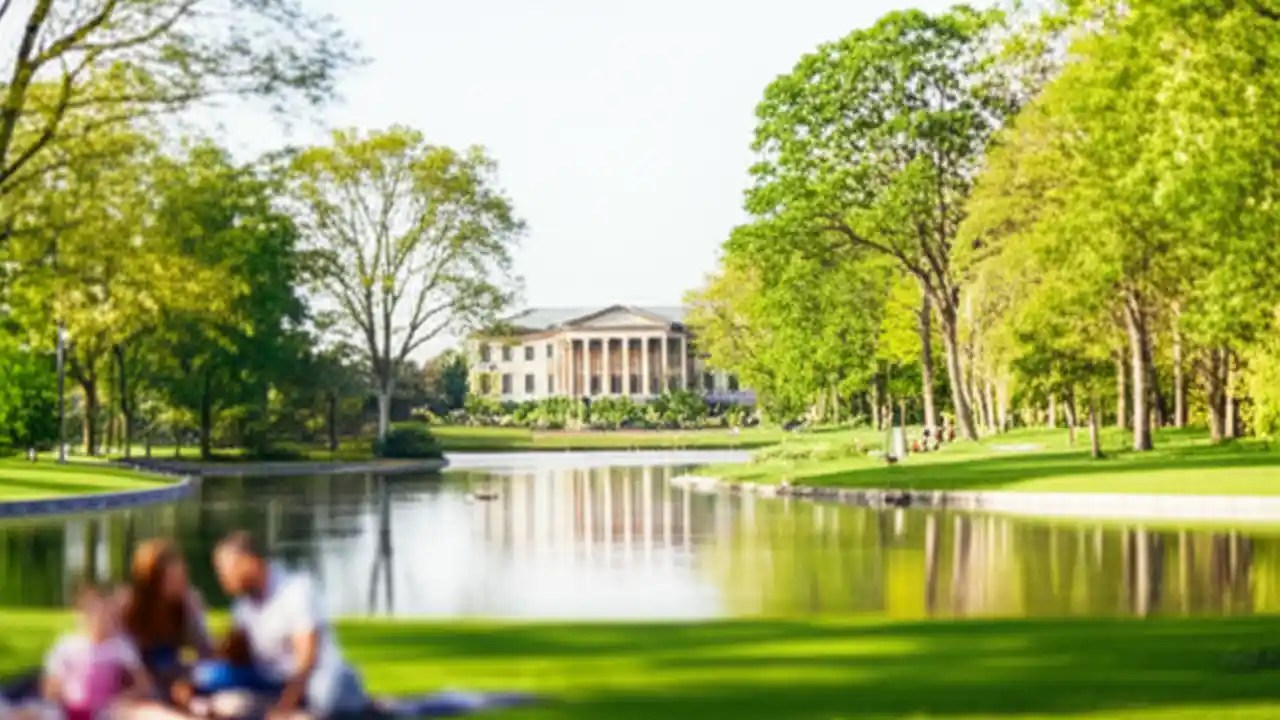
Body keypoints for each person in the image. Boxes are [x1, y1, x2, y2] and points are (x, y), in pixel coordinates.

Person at [212, 531, 367, 720]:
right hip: (272, 679)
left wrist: (283, 709)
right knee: (211, 676)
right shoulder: (243, 606)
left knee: (327, 692)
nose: (222, 578)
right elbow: (236, 656)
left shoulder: (295, 591)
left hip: (316, 680)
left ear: (250, 562)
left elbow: (306, 660)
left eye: (226, 569)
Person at [43, 583, 155, 720]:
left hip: (105, 711)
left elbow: (144, 684)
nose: (104, 621)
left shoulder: (120, 646)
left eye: (109, 615)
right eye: (98, 614)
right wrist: (61, 695)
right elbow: (50, 688)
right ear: (83, 616)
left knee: (148, 713)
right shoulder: (67, 645)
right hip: (66, 710)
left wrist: (123, 698)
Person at [122, 539, 214, 697]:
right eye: (172, 578)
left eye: (183, 576)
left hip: (175, 677)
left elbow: (205, 652)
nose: (181, 583)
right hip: (139, 681)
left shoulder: (185, 604)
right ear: (152, 581)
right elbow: (126, 661)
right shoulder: (129, 608)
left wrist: (196, 615)